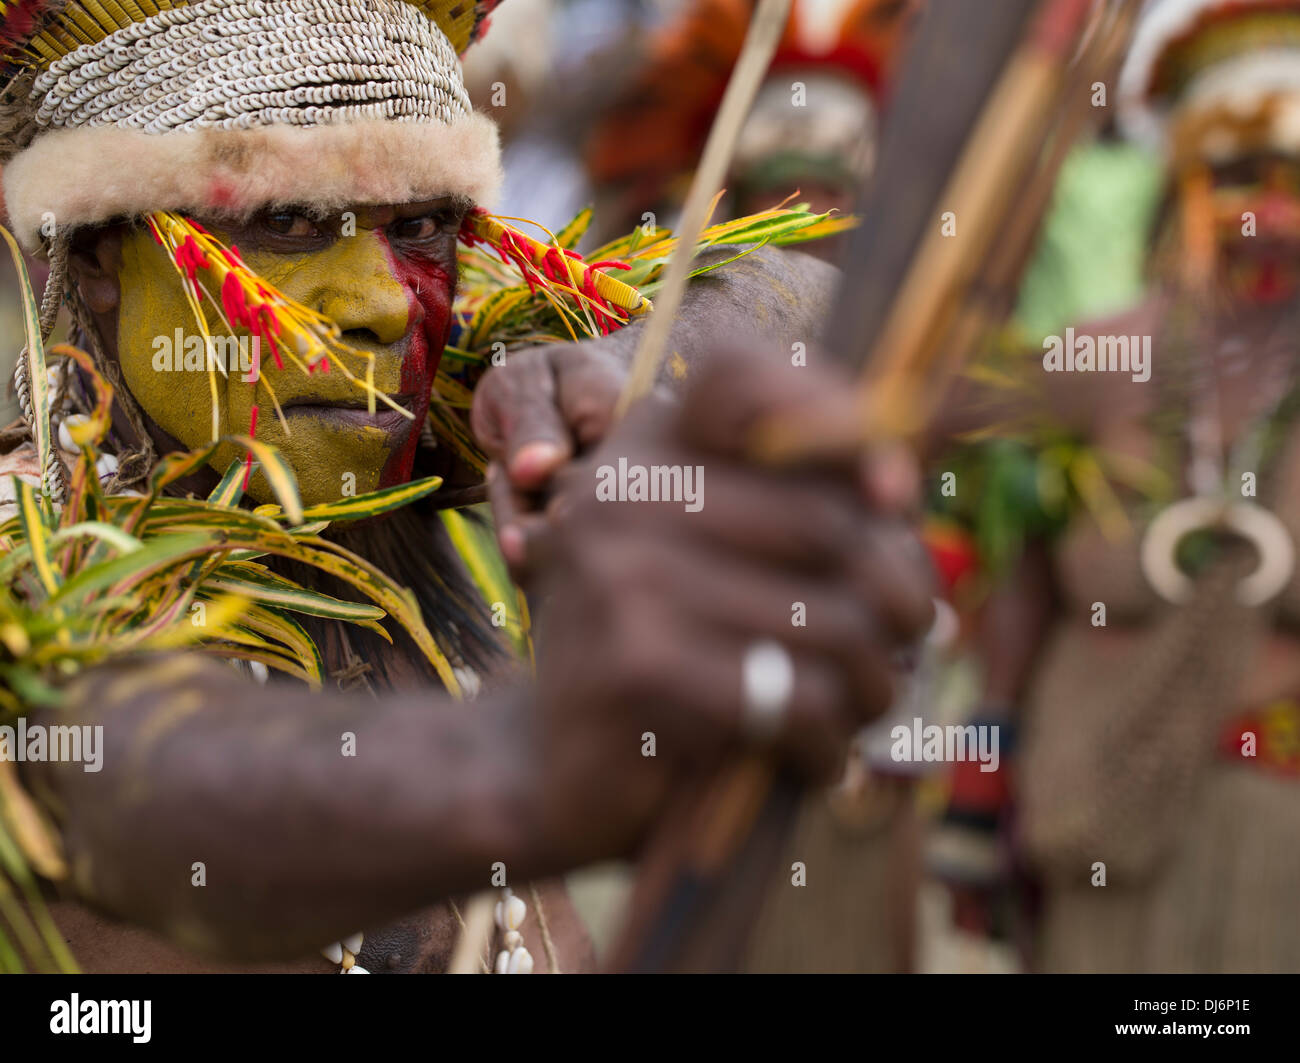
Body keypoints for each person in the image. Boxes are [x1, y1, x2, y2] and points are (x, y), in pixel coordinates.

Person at [0, 0, 932, 972]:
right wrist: (524, 764)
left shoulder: (440, 429)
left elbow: (816, 306)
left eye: (420, 225)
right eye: (283, 221)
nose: (381, 303)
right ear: (104, 255)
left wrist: (635, 370)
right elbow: (114, 775)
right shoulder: (34, 563)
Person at [935, 0, 1300, 972]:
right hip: (1090, 832)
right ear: (1179, 181)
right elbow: (1007, 579)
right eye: (1235, 178)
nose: (1271, 215)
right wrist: (980, 783)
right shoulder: (1090, 363)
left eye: (1298, 182)